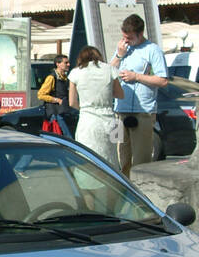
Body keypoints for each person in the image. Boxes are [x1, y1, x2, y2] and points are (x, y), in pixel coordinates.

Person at [109, 14, 169, 177]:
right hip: (119, 111)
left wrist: (136, 77)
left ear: (140, 34)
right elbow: (108, 73)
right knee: (118, 157)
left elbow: (163, 80)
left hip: (142, 112)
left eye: (129, 37)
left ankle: (140, 194)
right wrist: (119, 55)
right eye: (123, 37)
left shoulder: (152, 50)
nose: (125, 41)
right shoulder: (122, 49)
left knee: (140, 160)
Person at [68, 46, 123, 166]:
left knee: (88, 159)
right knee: (112, 157)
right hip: (110, 119)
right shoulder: (110, 69)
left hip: (88, 120)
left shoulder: (75, 73)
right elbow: (120, 94)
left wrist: (84, 109)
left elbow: (72, 102)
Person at [38, 54, 72, 136]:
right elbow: (41, 95)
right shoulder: (51, 78)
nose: (68, 64)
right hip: (55, 115)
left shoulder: (65, 78)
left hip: (63, 112)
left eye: (68, 62)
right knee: (67, 139)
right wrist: (57, 100)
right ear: (58, 64)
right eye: (66, 62)